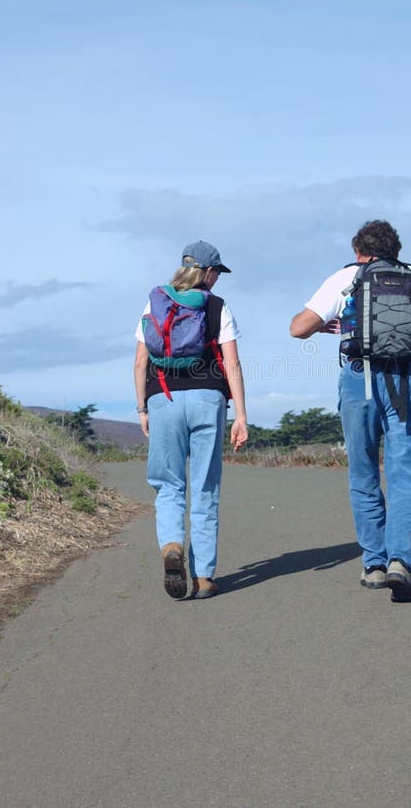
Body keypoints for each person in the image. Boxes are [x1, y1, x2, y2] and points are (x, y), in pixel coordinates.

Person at [290, 220, 411, 602]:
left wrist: (330, 327)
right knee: (405, 475)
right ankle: (400, 561)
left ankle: (373, 563)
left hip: (360, 381)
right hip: (409, 383)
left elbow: (298, 328)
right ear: (396, 251)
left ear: (359, 251)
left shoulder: (345, 278)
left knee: (364, 471)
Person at [134, 240, 248, 600]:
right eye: (217, 273)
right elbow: (232, 363)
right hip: (207, 399)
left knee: (168, 485)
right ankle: (203, 577)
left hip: (163, 397)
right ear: (209, 272)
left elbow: (140, 363)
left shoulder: (156, 301)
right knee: (205, 487)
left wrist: (142, 409)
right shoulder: (216, 306)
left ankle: (171, 546)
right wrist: (241, 415)